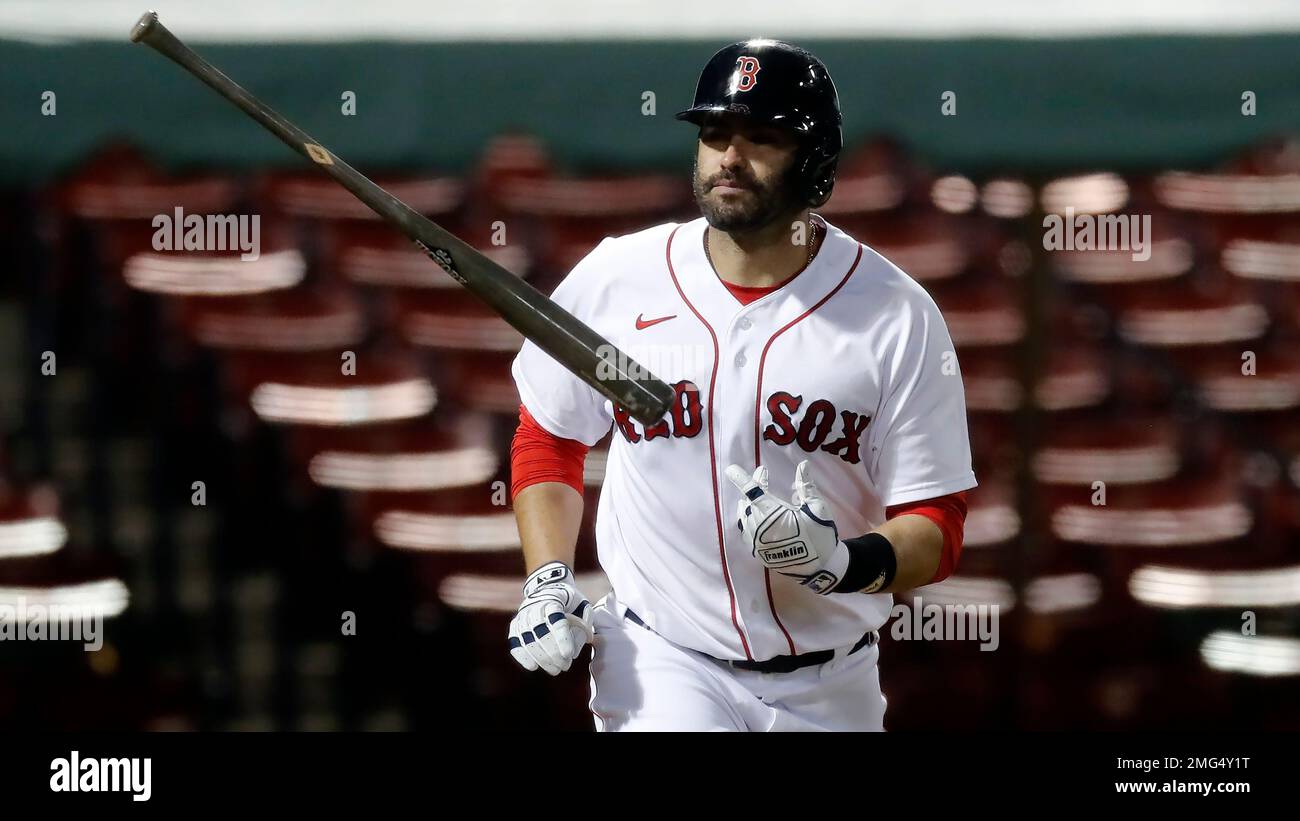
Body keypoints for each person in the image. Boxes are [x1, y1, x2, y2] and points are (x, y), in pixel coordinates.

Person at [506, 39, 975, 731]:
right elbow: (549, 433)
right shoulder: (619, 278)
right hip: (662, 656)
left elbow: (939, 523)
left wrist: (841, 562)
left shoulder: (895, 314)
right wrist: (547, 575)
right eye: (715, 133)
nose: (729, 155)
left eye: (762, 137)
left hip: (830, 676)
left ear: (814, 163)